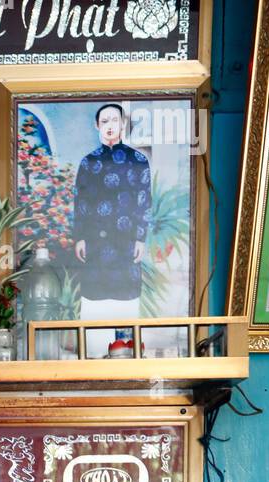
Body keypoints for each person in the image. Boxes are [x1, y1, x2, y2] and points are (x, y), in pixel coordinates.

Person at [72, 103, 152, 324]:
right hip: (95, 240)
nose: (109, 126)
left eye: (114, 121)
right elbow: (80, 201)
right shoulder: (88, 162)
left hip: (126, 241)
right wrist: (79, 237)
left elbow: (144, 201)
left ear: (122, 124)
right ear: (97, 125)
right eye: (104, 121)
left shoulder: (138, 161)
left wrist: (140, 238)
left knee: (126, 302)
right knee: (93, 301)